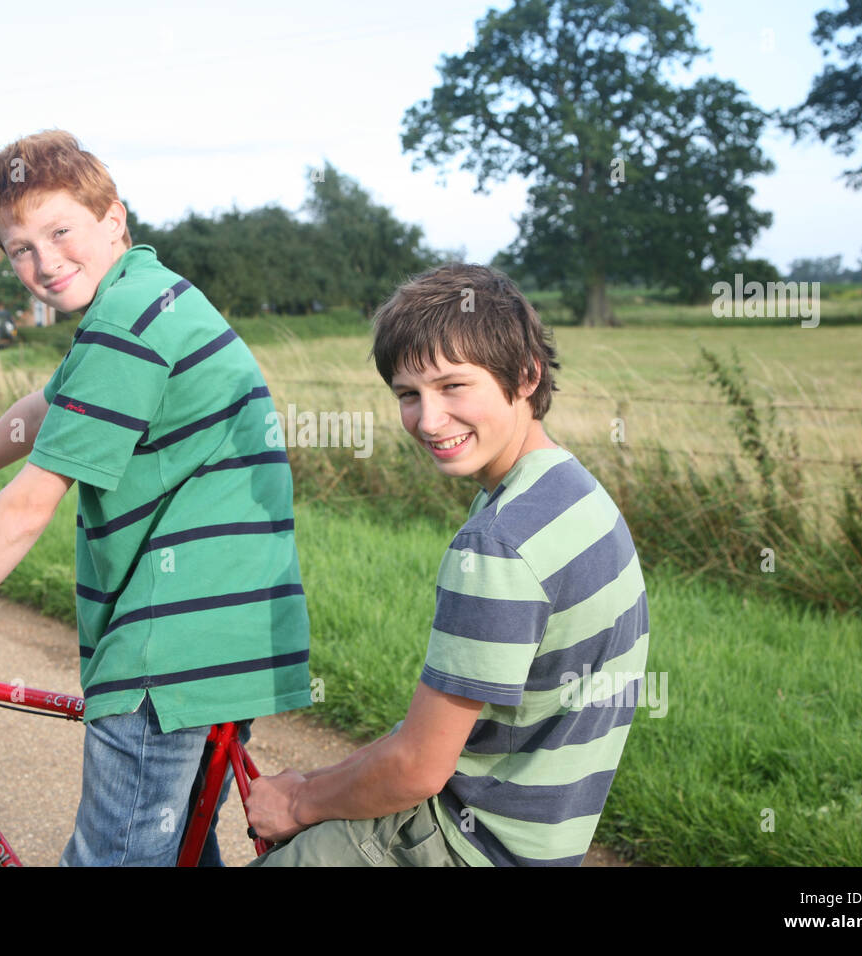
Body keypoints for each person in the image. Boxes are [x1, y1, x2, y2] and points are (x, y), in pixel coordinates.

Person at [0, 130, 311, 866]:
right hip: (223, 628)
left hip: (170, 643)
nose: (44, 262)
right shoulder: (145, 298)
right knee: (172, 851)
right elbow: (41, 410)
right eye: (20, 249)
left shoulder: (127, 320)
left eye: (59, 232)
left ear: (113, 220)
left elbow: (29, 503)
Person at [245, 263, 649, 866]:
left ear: (526, 374)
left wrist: (299, 805)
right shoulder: (574, 493)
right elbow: (432, 737)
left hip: (464, 845)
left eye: (453, 386)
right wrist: (313, 782)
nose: (429, 420)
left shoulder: (498, 544)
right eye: (408, 395)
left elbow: (417, 768)